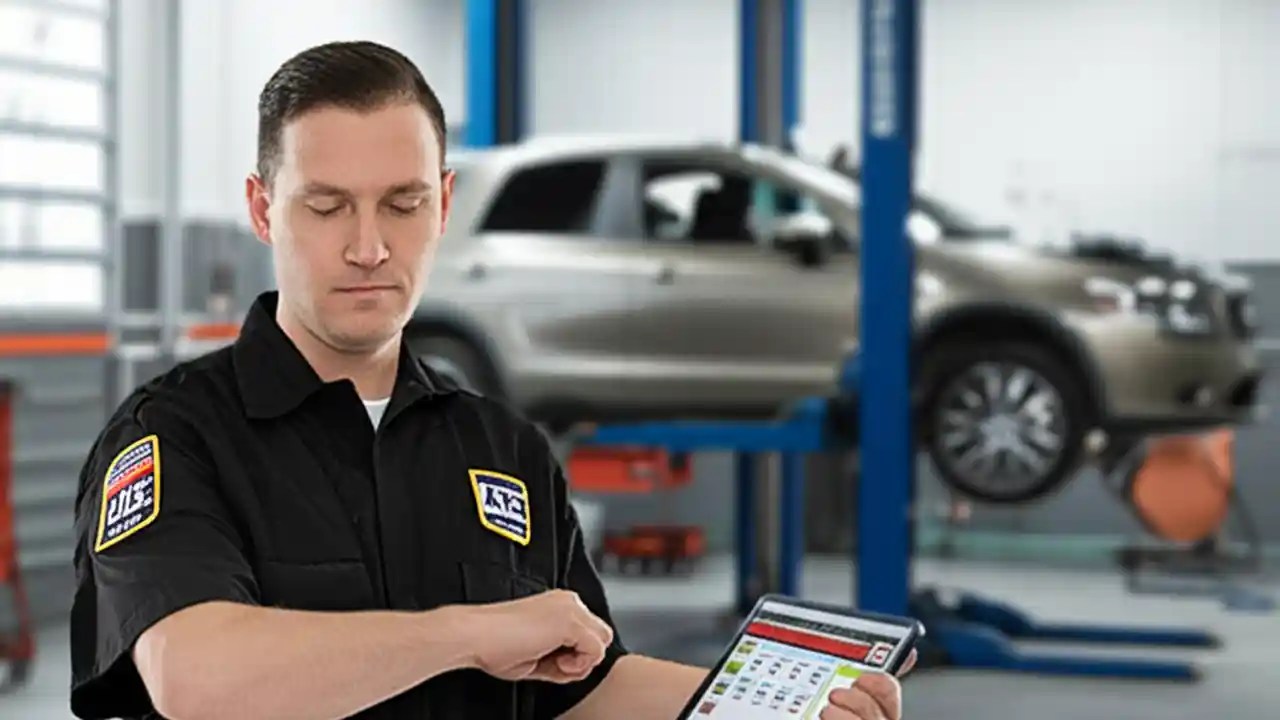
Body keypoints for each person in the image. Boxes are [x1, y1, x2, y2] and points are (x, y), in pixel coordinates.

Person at [69, 40, 912, 720]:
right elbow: (200, 683)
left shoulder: (502, 448)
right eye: (327, 207)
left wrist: (774, 709)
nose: (369, 246)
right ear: (262, 210)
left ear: (443, 202)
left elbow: (583, 686)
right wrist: (470, 633)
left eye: (402, 204)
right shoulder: (174, 437)